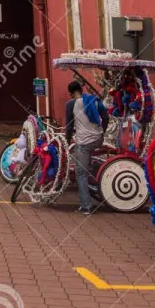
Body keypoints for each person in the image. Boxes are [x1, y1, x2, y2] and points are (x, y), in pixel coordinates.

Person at [65, 81, 109, 214]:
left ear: (72, 93)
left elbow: (69, 126)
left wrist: (67, 141)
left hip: (84, 142)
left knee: (80, 173)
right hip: (98, 139)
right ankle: (90, 170)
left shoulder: (71, 104)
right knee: (85, 166)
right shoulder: (94, 100)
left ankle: (86, 206)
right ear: (81, 89)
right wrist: (102, 132)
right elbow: (105, 118)